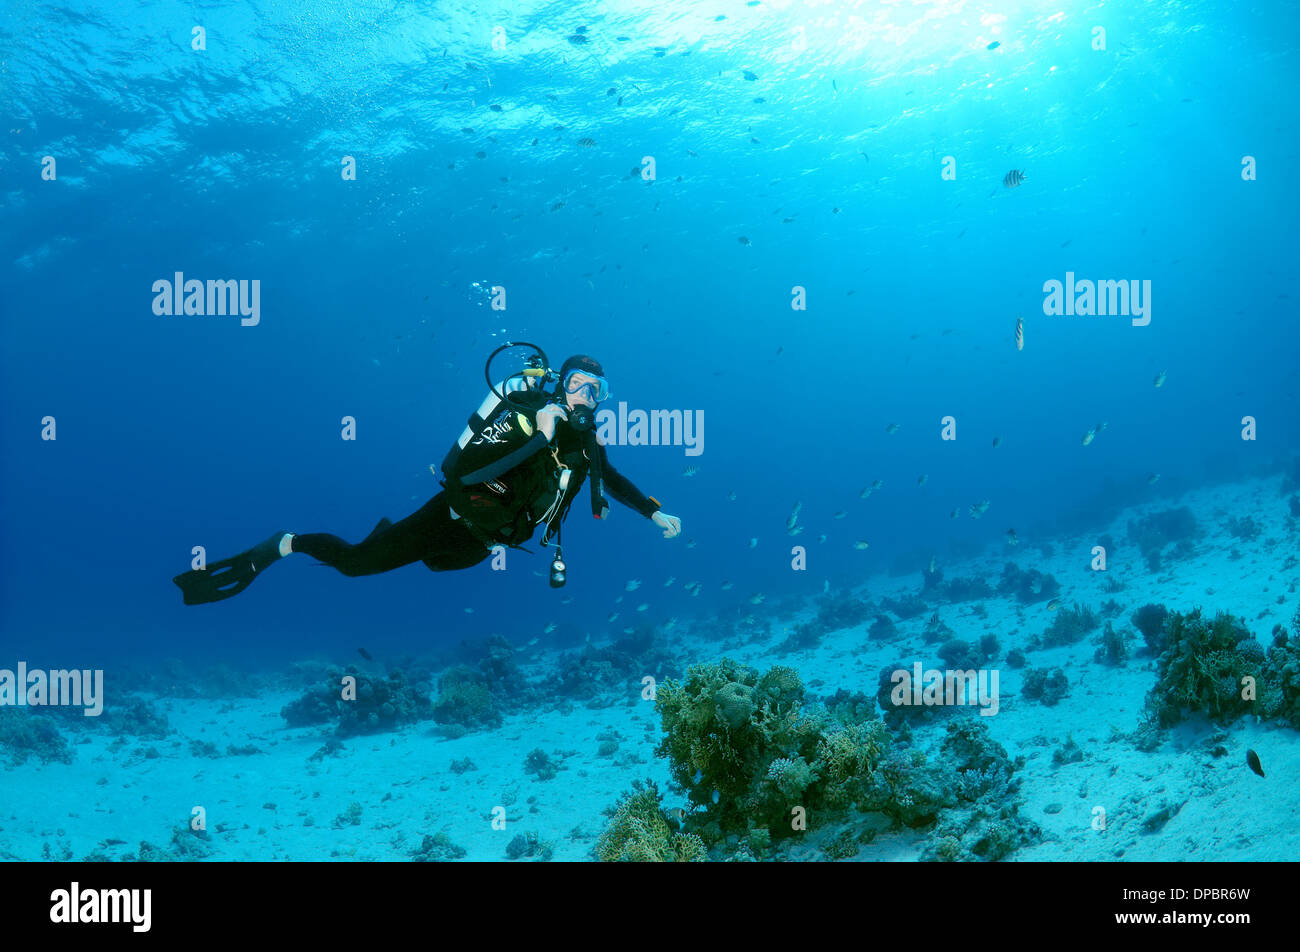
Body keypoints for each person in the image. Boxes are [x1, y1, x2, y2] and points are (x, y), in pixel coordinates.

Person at [173, 354, 681, 604]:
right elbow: (461, 464)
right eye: (576, 384)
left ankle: (384, 535)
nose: (584, 397)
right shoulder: (527, 414)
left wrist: (654, 512)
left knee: (438, 566)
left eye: (596, 390)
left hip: (485, 544)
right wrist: (533, 430)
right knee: (354, 566)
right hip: (452, 514)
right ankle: (285, 543)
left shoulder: (589, 447)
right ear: (559, 386)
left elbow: (612, 480)